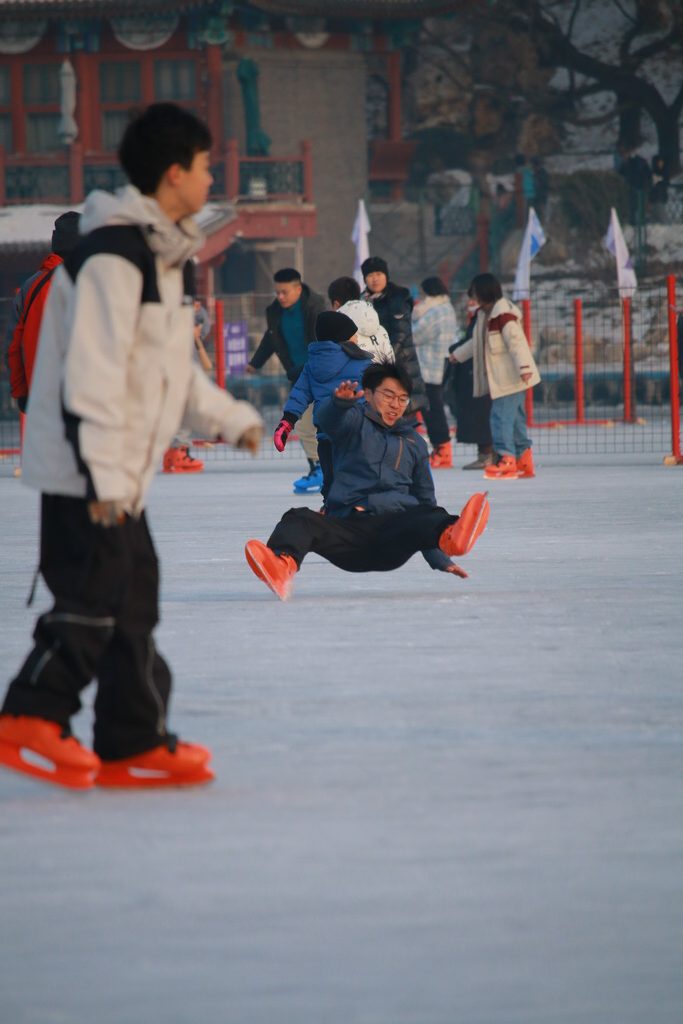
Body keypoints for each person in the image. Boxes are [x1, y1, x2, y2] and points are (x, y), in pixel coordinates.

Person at [0, 103, 263, 791]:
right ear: (174, 173)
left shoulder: (158, 254)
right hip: (89, 469)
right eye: (204, 166)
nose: (210, 179)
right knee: (94, 596)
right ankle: (30, 713)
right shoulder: (113, 258)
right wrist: (105, 478)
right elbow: (92, 375)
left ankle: (130, 739)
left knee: (134, 598)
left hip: (116, 469)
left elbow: (168, 370)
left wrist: (230, 418)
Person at [245, 362, 490, 600]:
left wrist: (440, 560)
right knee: (298, 518)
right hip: (348, 534)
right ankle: (281, 566)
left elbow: (426, 500)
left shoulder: (414, 442)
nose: (395, 404)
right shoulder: (353, 423)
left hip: (393, 536)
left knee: (426, 513)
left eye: (402, 399)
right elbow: (330, 421)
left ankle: (451, 538)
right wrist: (339, 404)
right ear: (369, 394)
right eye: (388, 395)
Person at [273, 310, 371, 501]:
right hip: (357, 433)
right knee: (360, 479)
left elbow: (300, 394)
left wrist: (287, 422)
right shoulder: (362, 363)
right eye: (354, 334)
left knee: (330, 481)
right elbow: (376, 394)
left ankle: (330, 508)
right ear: (343, 338)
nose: (357, 338)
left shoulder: (312, 365)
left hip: (326, 435)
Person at [451, 272, 540, 480]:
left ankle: (506, 458)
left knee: (500, 418)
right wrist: (458, 355)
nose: (472, 298)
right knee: (515, 420)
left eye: (475, 293)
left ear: (484, 292)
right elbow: (477, 343)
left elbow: (517, 343)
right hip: (504, 379)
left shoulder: (503, 315)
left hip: (510, 378)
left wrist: (524, 367)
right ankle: (523, 460)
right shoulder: (484, 315)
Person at [247, 267, 326, 494]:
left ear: (298, 289)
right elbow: (271, 338)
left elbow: (327, 339)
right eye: (277, 292)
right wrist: (256, 362)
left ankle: (328, 467)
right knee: (303, 424)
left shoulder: (316, 307)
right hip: (299, 377)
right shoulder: (275, 311)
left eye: (285, 292)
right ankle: (317, 468)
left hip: (321, 373)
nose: (280, 297)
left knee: (322, 422)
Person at [360, 256, 428, 415]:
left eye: (378, 274)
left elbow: (401, 332)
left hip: (401, 362)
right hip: (377, 365)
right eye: (370, 275)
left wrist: (384, 358)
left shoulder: (398, 297)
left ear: (386, 276)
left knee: (401, 411)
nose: (375, 279)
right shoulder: (362, 300)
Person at [162, 298, 214, 473]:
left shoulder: (192, 339)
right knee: (182, 414)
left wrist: (196, 334)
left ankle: (173, 454)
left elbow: (207, 364)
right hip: (177, 374)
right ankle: (178, 453)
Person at [411, 276, 457, 469]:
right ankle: (442, 449)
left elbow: (416, 335)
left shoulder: (434, 311)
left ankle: (441, 449)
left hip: (430, 366)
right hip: (441, 362)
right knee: (434, 407)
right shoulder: (447, 308)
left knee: (432, 409)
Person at [446, 287, 494, 470]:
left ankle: (488, 454)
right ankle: (487, 454)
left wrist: (457, 352)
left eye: (474, 299)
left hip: (481, 372)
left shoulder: (487, 316)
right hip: (473, 372)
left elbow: (477, 342)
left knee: (483, 415)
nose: (471, 303)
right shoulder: (478, 317)